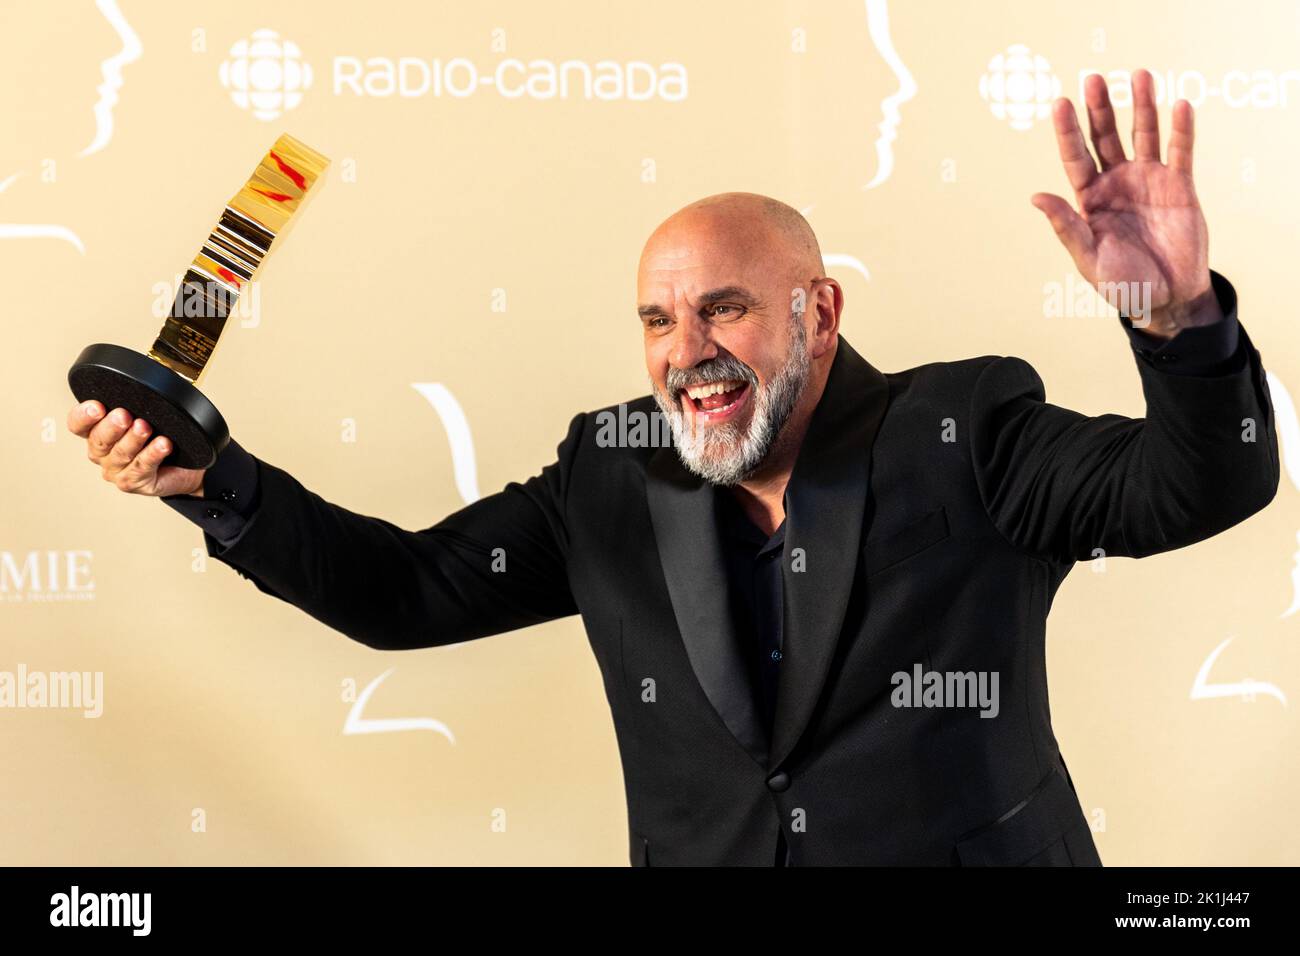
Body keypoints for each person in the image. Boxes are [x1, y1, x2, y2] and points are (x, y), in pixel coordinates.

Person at [68, 71, 1280, 865]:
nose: (685, 354)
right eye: (656, 319)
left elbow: (1199, 486)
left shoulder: (970, 427)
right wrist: (214, 480)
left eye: (723, 310)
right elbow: (402, 593)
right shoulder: (614, 470)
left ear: (818, 310)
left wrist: (1177, 324)